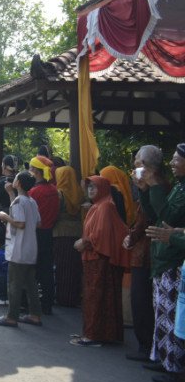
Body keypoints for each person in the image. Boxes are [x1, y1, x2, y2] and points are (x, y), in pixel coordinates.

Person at [138, 143, 185, 382]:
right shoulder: (178, 187)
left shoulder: (173, 187)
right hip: (163, 257)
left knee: (171, 316)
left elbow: (167, 216)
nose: (172, 163)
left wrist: (154, 186)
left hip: (174, 260)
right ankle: (163, 358)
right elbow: (154, 216)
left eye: (177, 159)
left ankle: (174, 367)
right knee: (162, 314)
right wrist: (144, 191)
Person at [71, 176, 131, 347]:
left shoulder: (105, 206)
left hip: (99, 259)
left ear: (103, 189)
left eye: (94, 187)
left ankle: (93, 335)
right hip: (98, 258)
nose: (90, 190)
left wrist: (83, 242)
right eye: (89, 187)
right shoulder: (99, 205)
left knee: (95, 297)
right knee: (100, 297)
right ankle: (99, 333)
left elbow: (100, 234)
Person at [124, 146, 165, 363]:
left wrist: (131, 236)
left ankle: (148, 346)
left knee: (143, 301)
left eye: (138, 164)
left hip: (151, 252)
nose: (134, 168)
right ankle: (148, 347)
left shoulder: (161, 188)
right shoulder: (148, 188)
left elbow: (152, 218)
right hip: (145, 251)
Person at [0, 171, 42, 328]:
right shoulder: (31, 201)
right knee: (30, 284)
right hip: (30, 247)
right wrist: (11, 194)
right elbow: (37, 223)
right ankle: (35, 314)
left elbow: (20, 223)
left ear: (18, 183)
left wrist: (4, 217)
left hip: (18, 249)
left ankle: (11, 317)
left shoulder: (20, 202)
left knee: (14, 284)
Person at [28, 155, 58, 315]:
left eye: (31, 168)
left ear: (36, 171)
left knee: (31, 270)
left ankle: (31, 305)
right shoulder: (54, 191)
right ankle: (47, 303)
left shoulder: (34, 192)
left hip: (35, 234)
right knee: (46, 269)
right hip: (48, 233)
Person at [54, 166, 84, 307]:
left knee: (62, 266)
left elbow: (55, 213)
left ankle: (63, 297)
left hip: (61, 233)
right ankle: (73, 296)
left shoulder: (59, 194)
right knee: (74, 266)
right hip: (77, 232)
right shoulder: (79, 192)